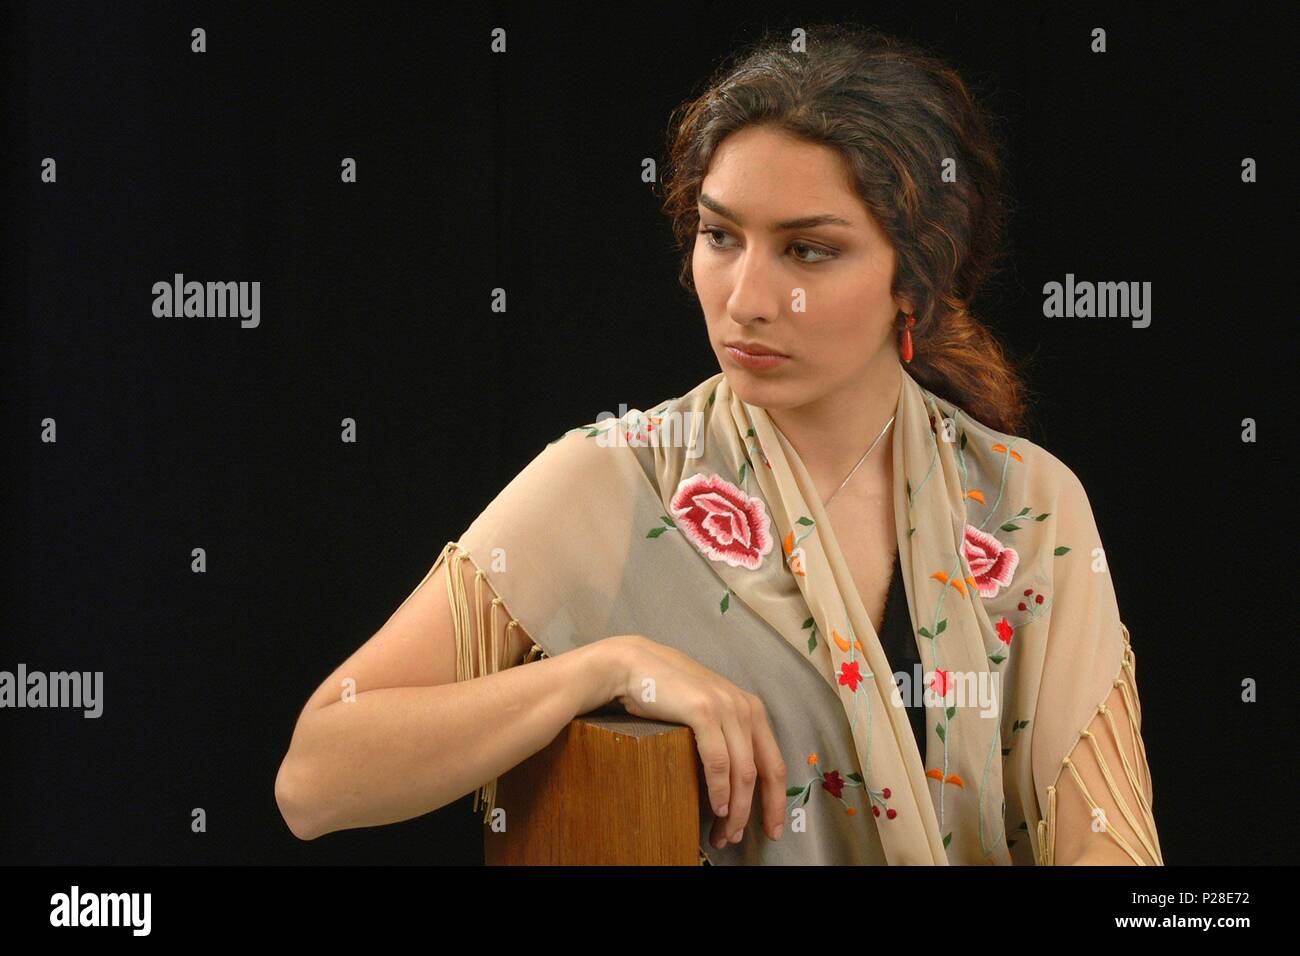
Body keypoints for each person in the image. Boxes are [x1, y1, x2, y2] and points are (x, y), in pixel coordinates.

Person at [274, 24, 1162, 866]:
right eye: (720, 236)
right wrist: (603, 668)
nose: (746, 297)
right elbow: (315, 779)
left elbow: (1112, 848)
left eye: (808, 251)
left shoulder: (1027, 504)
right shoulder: (620, 478)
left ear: (916, 282)